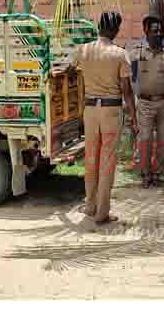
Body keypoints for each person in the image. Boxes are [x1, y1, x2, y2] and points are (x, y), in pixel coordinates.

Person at [69, 12, 139, 225]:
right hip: (111, 111)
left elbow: (70, 69)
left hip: (90, 110)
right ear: (116, 30)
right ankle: (102, 212)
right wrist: (134, 118)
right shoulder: (119, 54)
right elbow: (127, 91)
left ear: (98, 27)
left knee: (91, 157)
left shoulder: (83, 50)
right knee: (107, 160)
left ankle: (90, 205)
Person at [129, 16, 164, 188]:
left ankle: (157, 173)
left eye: (160, 30)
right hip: (144, 103)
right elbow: (132, 78)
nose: (158, 33)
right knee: (144, 138)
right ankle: (145, 174)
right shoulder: (137, 53)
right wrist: (130, 104)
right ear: (145, 31)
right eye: (154, 30)